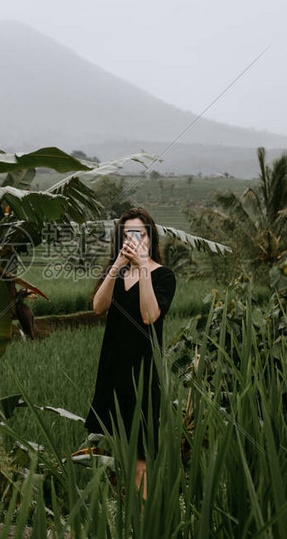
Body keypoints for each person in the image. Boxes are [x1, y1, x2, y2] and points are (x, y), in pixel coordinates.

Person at [85, 207, 176, 500]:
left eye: (139, 234)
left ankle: (143, 521)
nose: (134, 240)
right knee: (123, 454)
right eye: (128, 235)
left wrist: (143, 268)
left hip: (144, 377)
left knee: (141, 460)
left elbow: (149, 315)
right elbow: (99, 306)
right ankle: (127, 517)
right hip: (114, 374)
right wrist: (117, 265)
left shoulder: (164, 276)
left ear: (150, 237)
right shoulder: (117, 272)